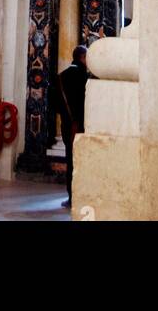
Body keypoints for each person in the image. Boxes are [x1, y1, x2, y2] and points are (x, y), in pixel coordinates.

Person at [56, 44, 88, 208]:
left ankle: (71, 197)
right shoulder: (86, 76)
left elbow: (55, 104)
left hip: (68, 126)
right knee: (85, 161)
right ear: (82, 57)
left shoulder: (62, 76)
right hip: (85, 125)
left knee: (71, 160)